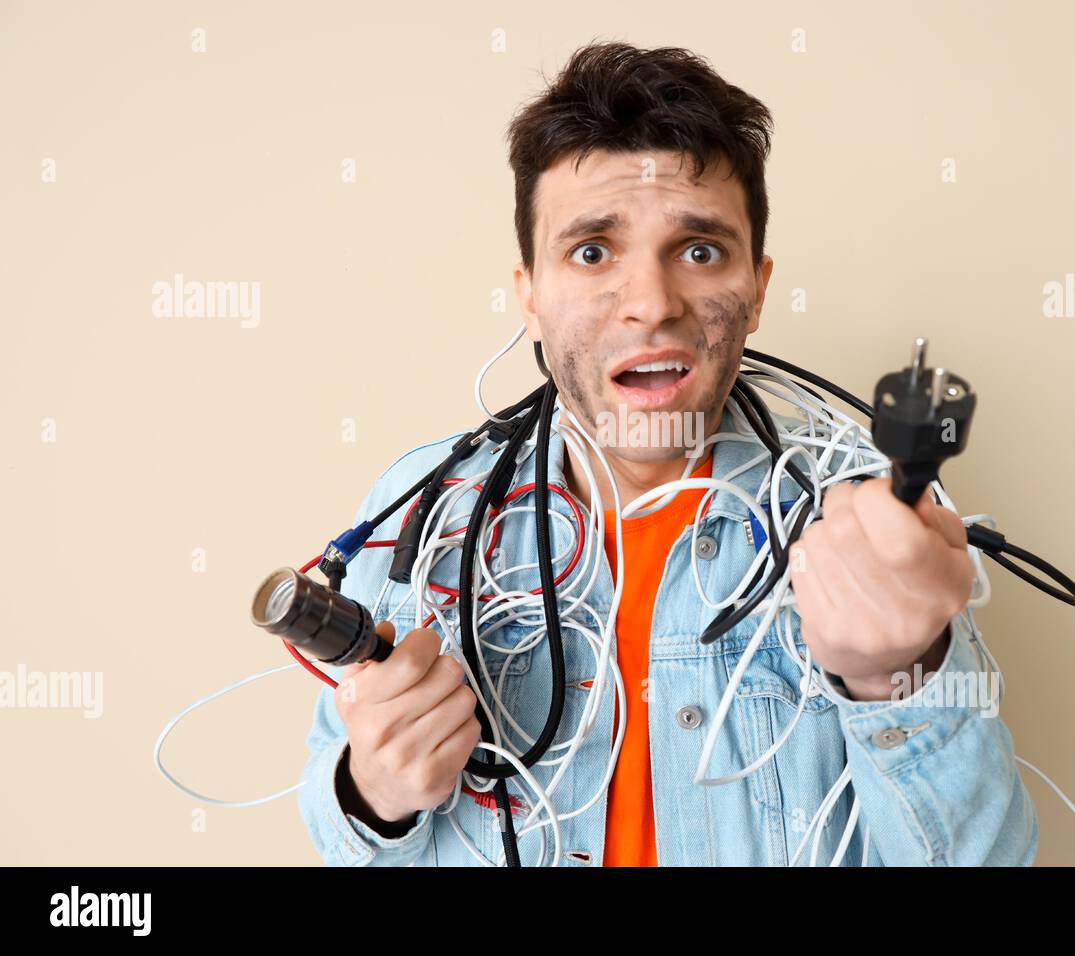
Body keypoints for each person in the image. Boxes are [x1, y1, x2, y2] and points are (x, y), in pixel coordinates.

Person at [298, 40, 1037, 867]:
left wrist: (898, 674)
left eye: (699, 250)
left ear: (756, 290)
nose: (652, 304)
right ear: (529, 297)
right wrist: (376, 795)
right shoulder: (429, 507)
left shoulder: (861, 526)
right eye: (591, 251)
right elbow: (338, 833)